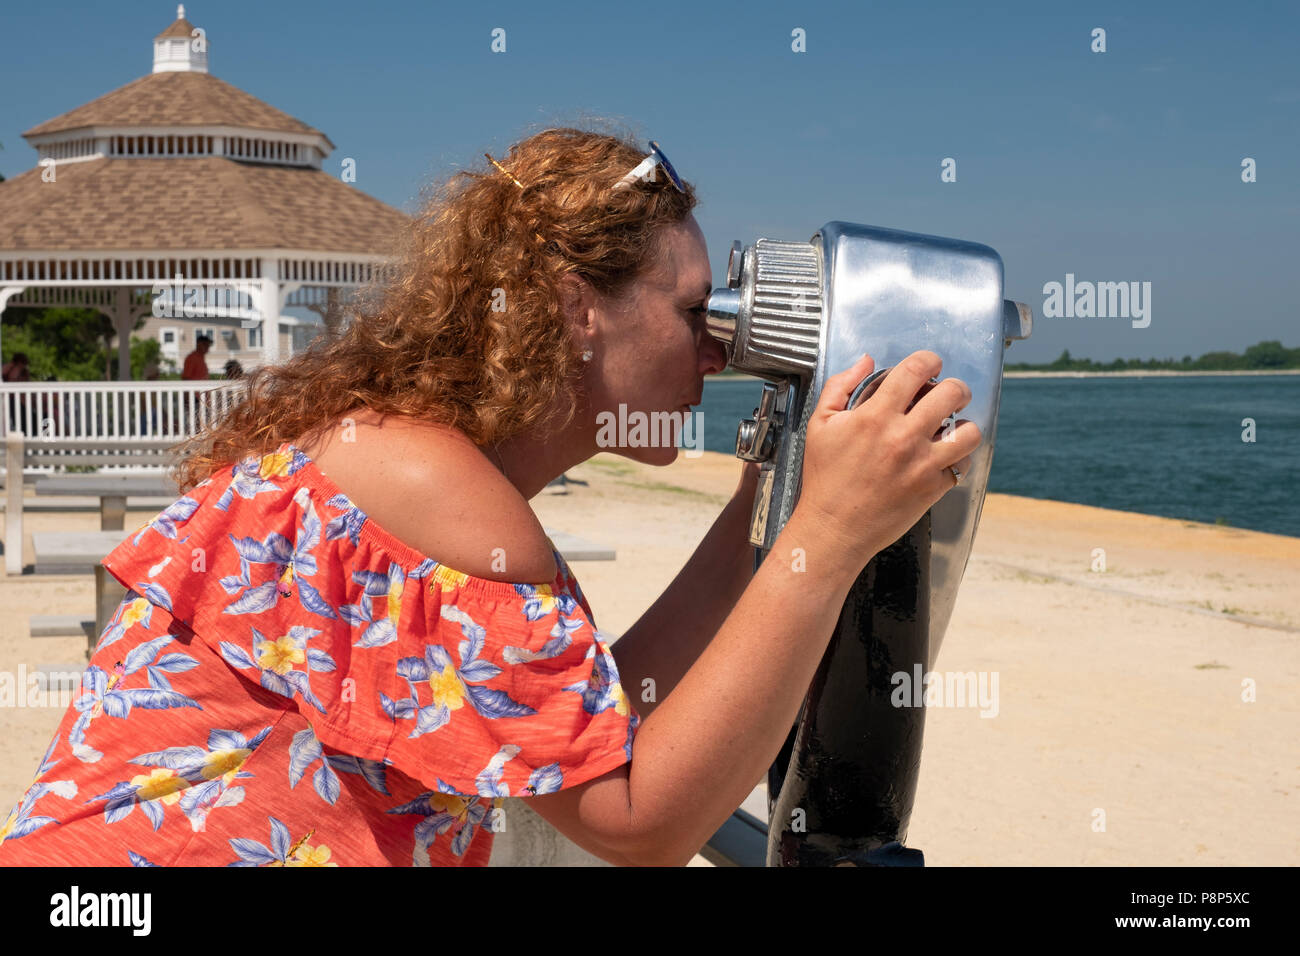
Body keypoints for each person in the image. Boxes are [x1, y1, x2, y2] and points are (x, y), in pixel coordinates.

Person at [0, 127, 978, 867]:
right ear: (572, 308)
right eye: (691, 311)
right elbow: (637, 819)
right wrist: (833, 534)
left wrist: (766, 499)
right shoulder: (438, 491)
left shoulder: (398, 453)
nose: (717, 346)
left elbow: (591, 725)